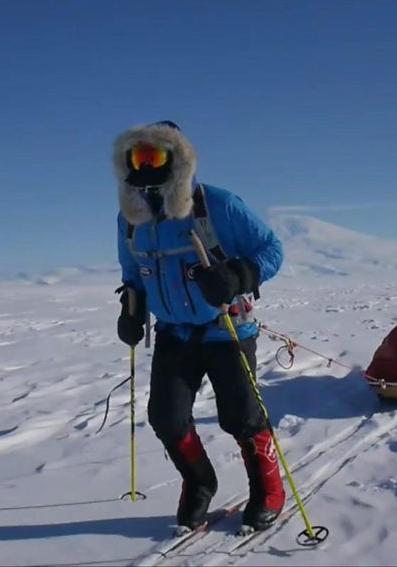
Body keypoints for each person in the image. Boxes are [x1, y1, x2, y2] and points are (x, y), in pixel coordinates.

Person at [112, 120, 286, 532]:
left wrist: (240, 275)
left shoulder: (216, 205)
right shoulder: (130, 219)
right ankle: (199, 483)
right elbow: (132, 269)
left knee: (242, 417)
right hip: (175, 333)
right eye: (140, 157)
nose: (148, 166)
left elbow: (272, 250)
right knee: (166, 419)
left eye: (156, 155)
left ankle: (268, 488)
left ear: (177, 158)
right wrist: (131, 308)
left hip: (226, 328)